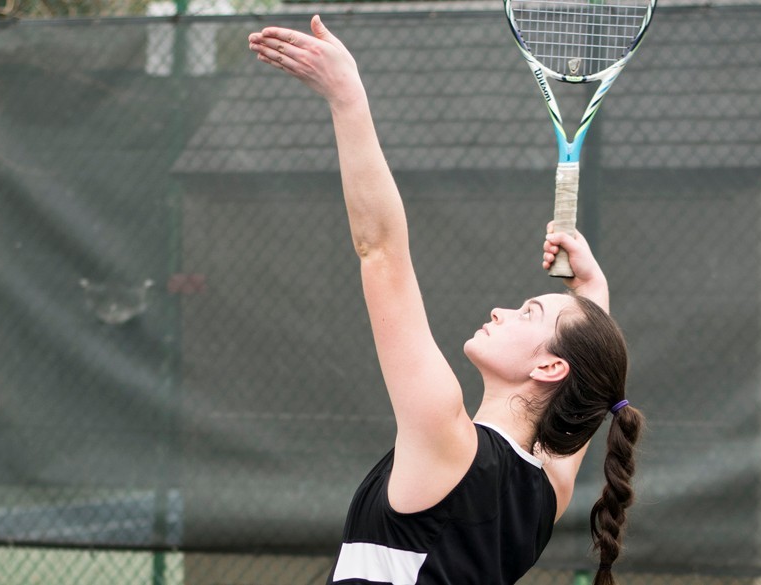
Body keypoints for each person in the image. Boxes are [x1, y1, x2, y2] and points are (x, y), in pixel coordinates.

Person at [249, 16, 644, 585]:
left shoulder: (447, 439)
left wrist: (347, 99)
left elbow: (380, 251)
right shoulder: (543, 495)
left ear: (549, 366)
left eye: (528, 312)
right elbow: (587, 381)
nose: (500, 311)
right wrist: (590, 293)